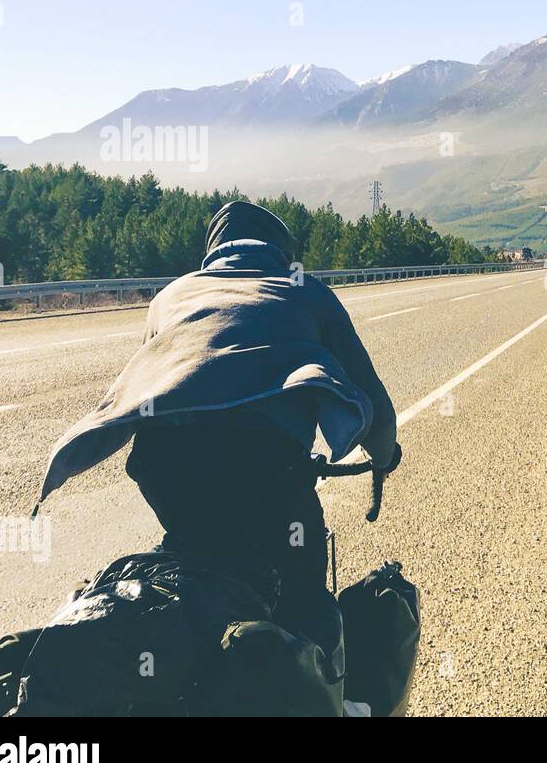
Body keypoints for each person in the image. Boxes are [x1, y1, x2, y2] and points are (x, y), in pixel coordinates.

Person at [38, 201, 398, 655]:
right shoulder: (305, 289)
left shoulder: (171, 296)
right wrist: (382, 456)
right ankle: (320, 683)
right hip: (267, 470)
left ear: (213, 250)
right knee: (304, 596)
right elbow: (376, 408)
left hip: (164, 470)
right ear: (281, 251)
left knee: (187, 557)